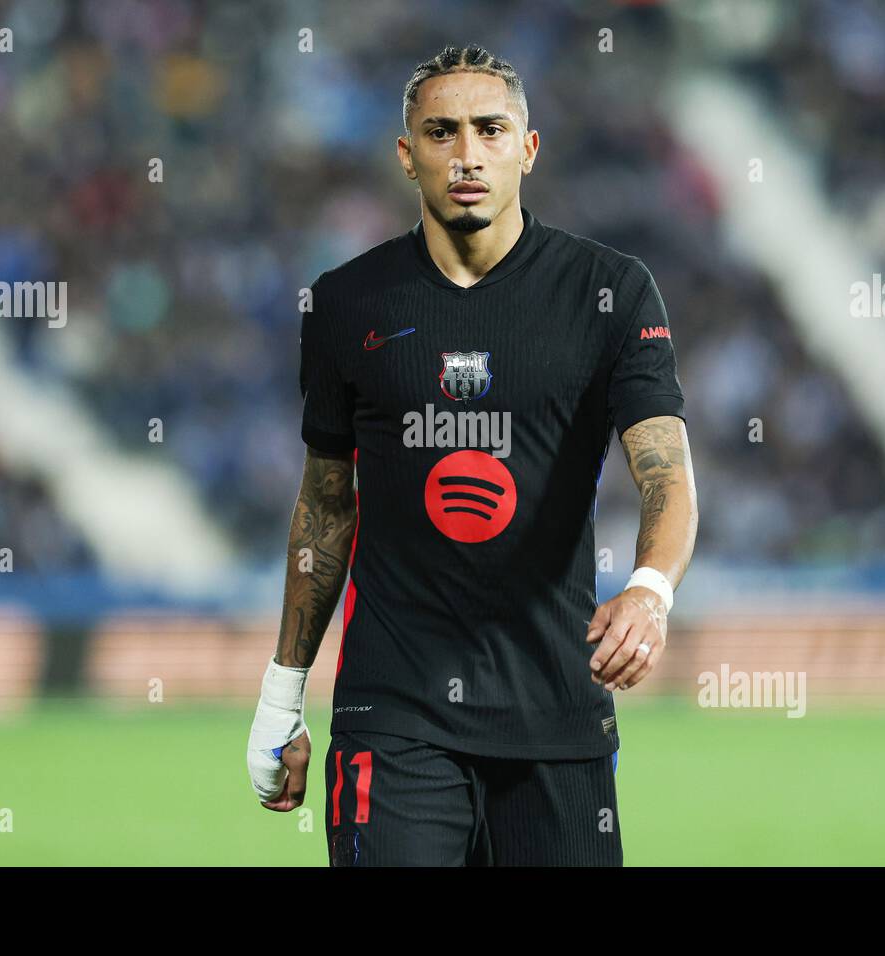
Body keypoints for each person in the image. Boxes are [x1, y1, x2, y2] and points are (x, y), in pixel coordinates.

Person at [248, 44, 698, 866]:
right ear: (405, 154)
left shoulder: (611, 292)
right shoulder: (348, 303)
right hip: (393, 716)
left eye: (490, 130)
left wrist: (649, 591)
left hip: (558, 711)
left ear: (528, 149)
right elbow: (325, 504)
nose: (466, 155)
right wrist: (283, 696)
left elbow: (665, 470)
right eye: (441, 132)